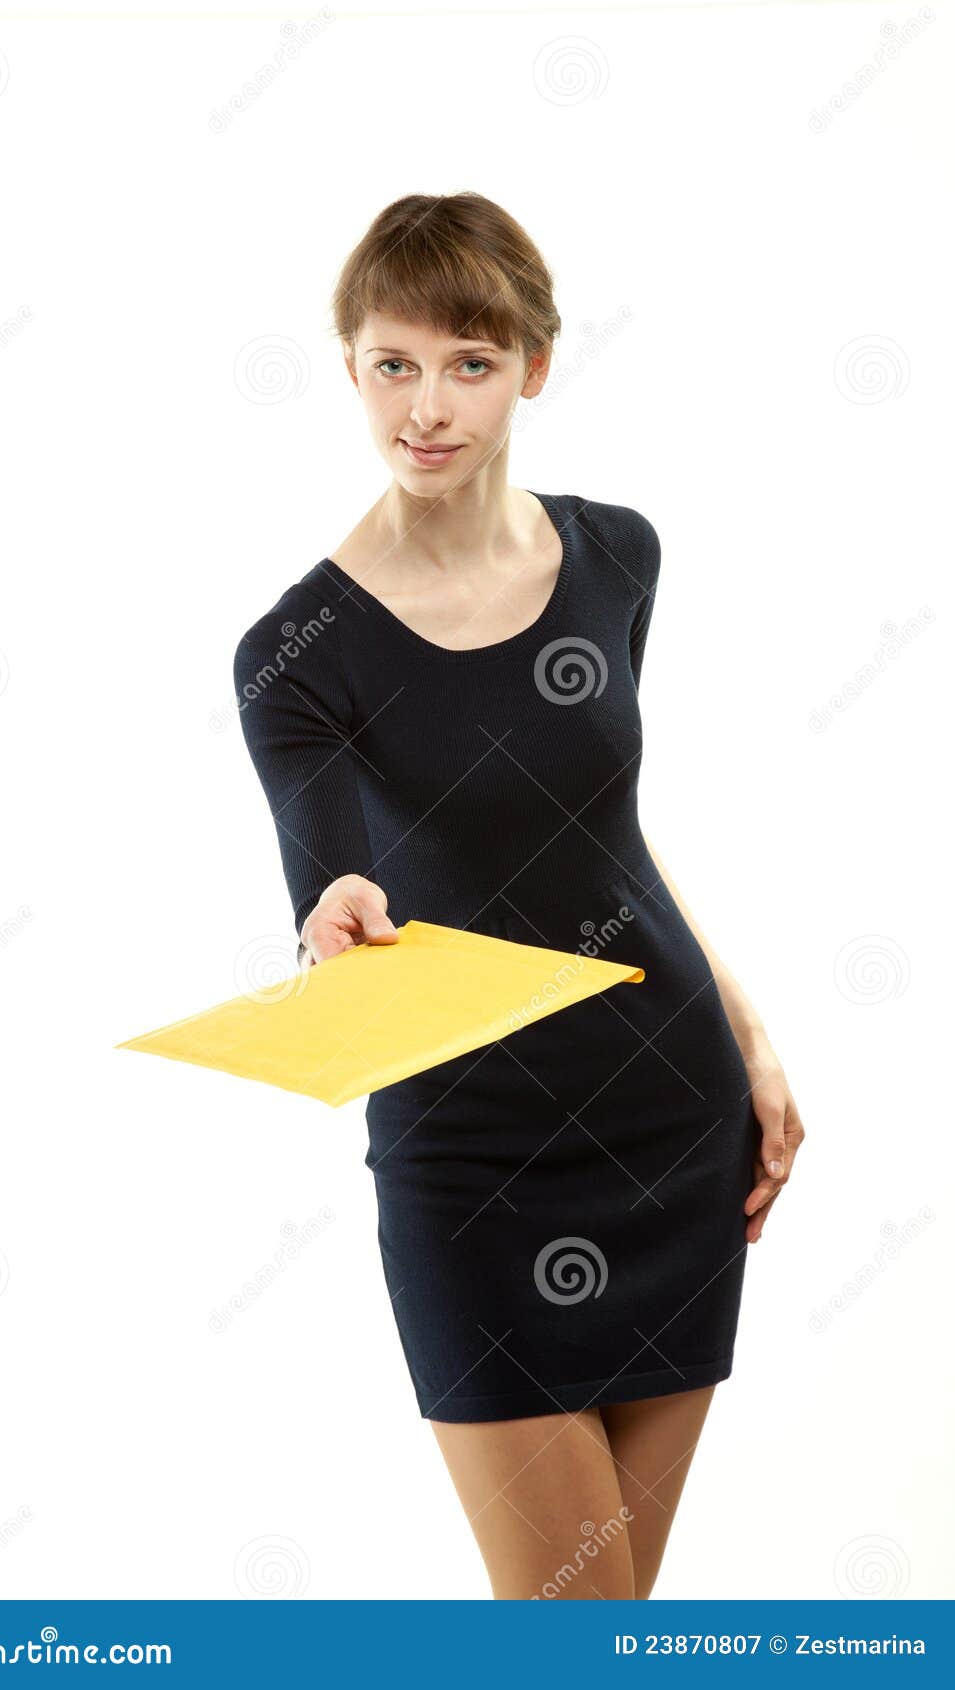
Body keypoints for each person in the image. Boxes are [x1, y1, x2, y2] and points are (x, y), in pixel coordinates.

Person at [233, 192, 805, 1600]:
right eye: (394, 364)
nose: (427, 406)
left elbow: (609, 829)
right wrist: (335, 918)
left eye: (471, 365)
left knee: (610, 1634)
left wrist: (751, 1037)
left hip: (671, 1120)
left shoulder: (617, 554)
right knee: (561, 1631)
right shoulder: (295, 653)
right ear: (352, 364)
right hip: (470, 1157)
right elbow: (332, 889)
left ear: (533, 368)